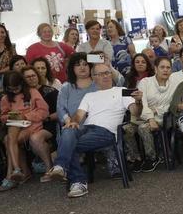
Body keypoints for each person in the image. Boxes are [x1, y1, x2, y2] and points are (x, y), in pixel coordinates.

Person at [43, 64, 142, 198]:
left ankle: (73, 177)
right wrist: (73, 122)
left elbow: (136, 112)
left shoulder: (122, 90)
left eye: (107, 73)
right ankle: (64, 170)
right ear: (94, 77)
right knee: (68, 130)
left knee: (67, 144)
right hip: (87, 129)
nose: (105, 76)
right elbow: (78, 116)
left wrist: (139, 102)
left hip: (106, 132)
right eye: (100, 74)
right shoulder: (89, 95)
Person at [0, 71, 52, 191]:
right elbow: (2, 116)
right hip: (15, 125)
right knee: (10, 136)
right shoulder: (6, 98)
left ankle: (12, 173)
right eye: (11, 89)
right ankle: (17, 171)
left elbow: (44, 111)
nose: (15, 91)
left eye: (17, 88)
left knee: (9, 140)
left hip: (32, 125)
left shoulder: (32, 92)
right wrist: (11, 116)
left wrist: (26, 116)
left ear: (22, 83)